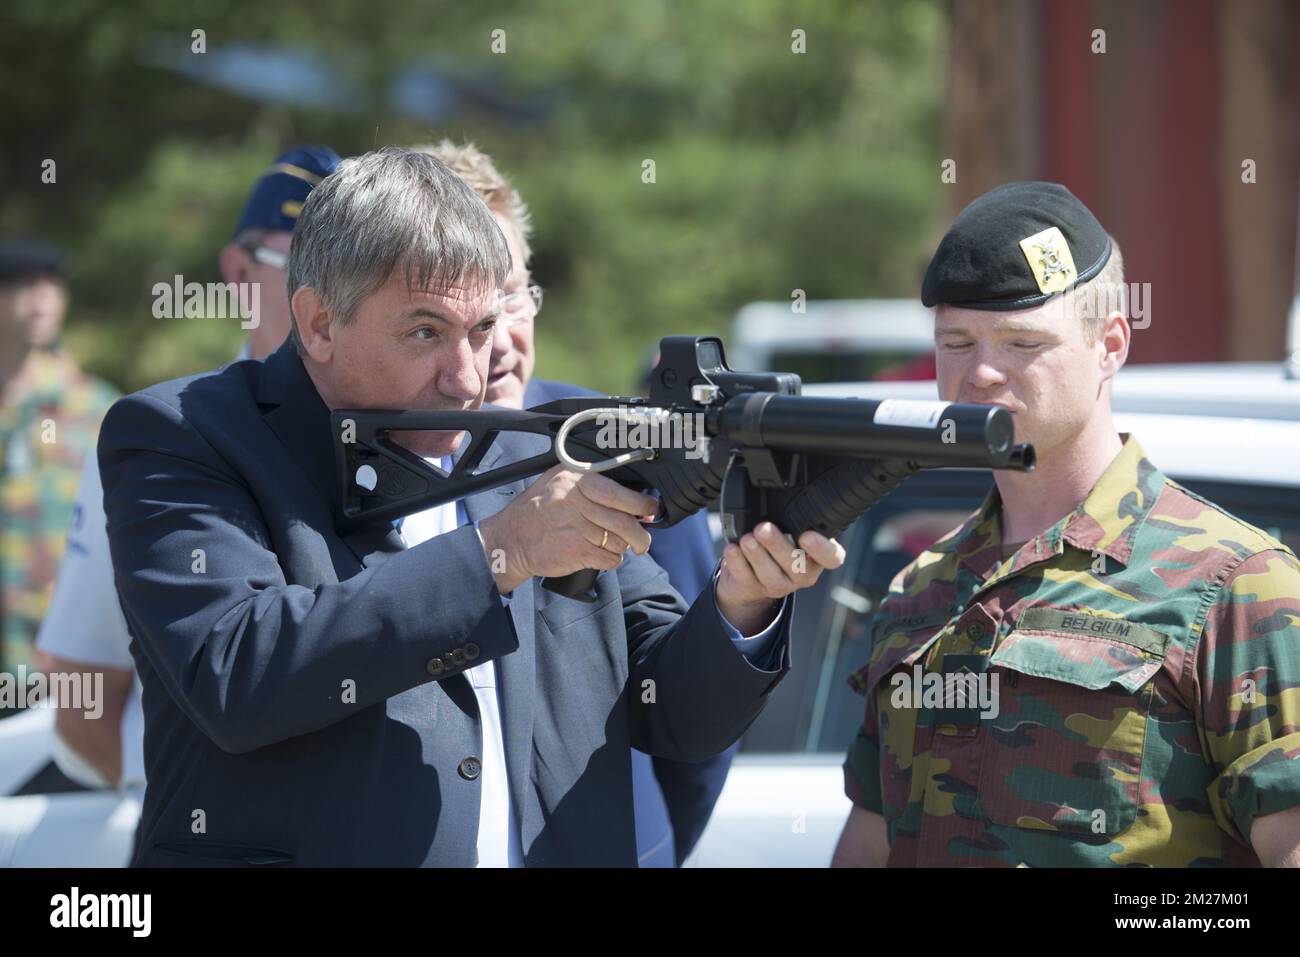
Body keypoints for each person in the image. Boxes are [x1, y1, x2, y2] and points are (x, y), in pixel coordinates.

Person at [98, 146, 844, 866]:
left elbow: (674, 715)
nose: (466, 378)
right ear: (319, 322)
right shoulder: (184, 435)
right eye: (426, 330)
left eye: (483, 329)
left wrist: (743, 602)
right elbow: (236, 672)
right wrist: (500, 554)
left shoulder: (546, 445)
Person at [832, 181, 1300, 867]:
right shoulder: (919, 592)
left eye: (1022, 342)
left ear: (1109, 344)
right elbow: (868, 847)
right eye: (956, 343)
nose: (981, 373)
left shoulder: (1237, 587)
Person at [425, 139, 731, 867]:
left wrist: (652, 850)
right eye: (461, 310)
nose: (497, 338)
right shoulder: (372, 462)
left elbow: (691, 699)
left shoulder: (621, 443)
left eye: (511, 297)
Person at [35, 146, 341, 797]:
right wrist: (180, 799)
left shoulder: (417, 432)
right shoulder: (158, 435)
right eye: (303, 265)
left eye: (353, 269)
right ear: (237, 270)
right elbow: (82, 685)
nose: (329, 295)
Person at [0, 240, 118, 694]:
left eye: (52, 283)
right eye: (24, 284)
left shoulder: (95, 409)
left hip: (57, 672)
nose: (41, 296)